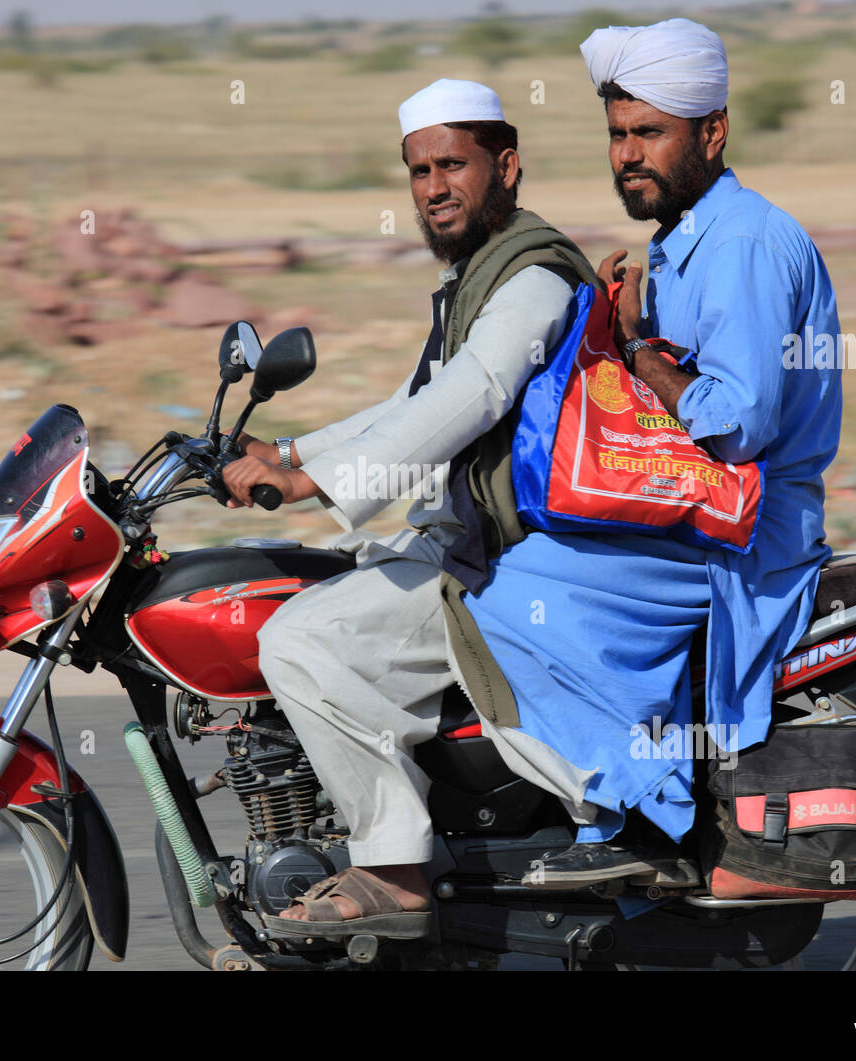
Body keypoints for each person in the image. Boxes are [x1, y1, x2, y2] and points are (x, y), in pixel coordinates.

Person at [451, 17, 845, 888]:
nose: (629, 154)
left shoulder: (739, 245)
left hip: (742, 535)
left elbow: (738, 421)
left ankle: (636, 812)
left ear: (712, 132)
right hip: (699, 508)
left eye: (650, 134)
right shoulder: (683, 238)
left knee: (509, 599)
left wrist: (634, 353)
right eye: (618, 135)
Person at [220, 79, 600, 934]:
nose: (434, 186)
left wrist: (324, 483)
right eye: (420, 169)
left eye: (453, 164)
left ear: (505, 165)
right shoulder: (478, 277)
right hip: (466, 535)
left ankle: (393, 865)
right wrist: (285, 453)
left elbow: (473, 392)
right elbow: (412, 397)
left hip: (505, 557)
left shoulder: (532, 276)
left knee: (298, 637)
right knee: (296, 589)